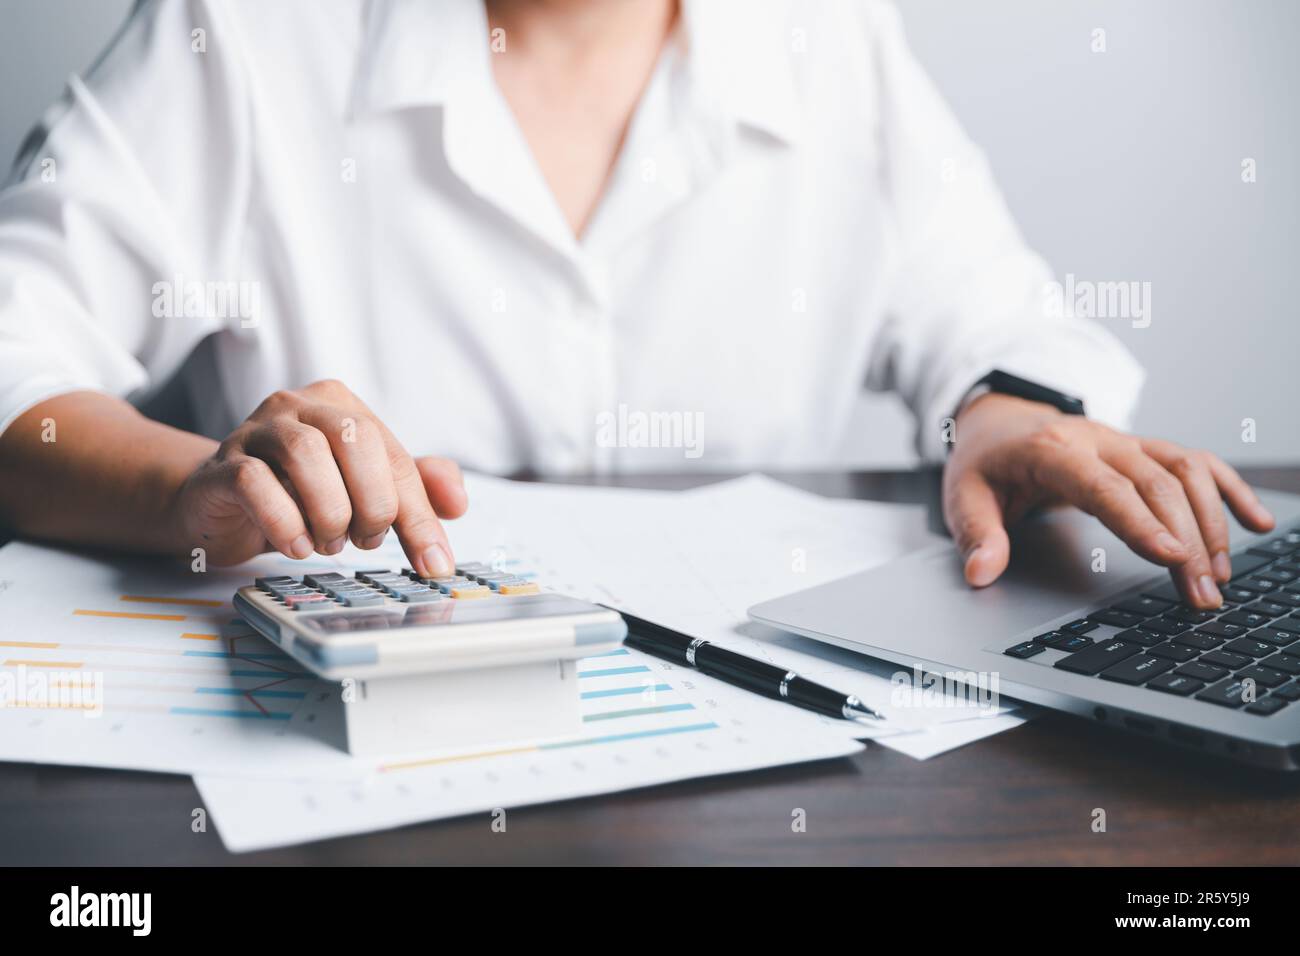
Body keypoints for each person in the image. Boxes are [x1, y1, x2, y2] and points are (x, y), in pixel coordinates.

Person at [0, 0, 1273, 608]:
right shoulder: (245, 30)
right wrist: (188, 488)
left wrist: (1001, 413)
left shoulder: (825, 37)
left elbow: (993, 314)